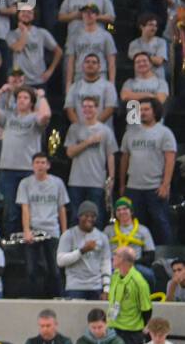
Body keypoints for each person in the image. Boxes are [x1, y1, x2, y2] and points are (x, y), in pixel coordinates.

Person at [0, 85, 49, 235]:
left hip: (28, 170)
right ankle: (11, 240)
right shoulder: (8, 117)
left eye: (26, 98)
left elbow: (46, 115)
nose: (21, 100)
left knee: (29, 208)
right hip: (8, 169)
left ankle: (29, 238)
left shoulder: (35, 118)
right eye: (19, 97)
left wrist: (41, 97)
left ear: (31, 102)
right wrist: (0, 91)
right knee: (10, 209)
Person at [119, 100, 176, 252]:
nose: (143, 112)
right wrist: (122, 184)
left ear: (155, 111)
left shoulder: (164, 133)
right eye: (141, 110)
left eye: (146, 109)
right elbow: (124, 159)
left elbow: (170, 160)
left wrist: (165, 184)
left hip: (155, 188)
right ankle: (139, 256)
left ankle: (166, 257)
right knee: (136, 226)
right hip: (133, 188)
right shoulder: (130, 133)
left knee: (161, 224)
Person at [17, 152, 68, 298]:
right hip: (34, 230)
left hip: (52, 229)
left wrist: (64, 232)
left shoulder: (57, 183)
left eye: (43, 162)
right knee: (31, 269)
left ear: (48, 165)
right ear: (32, 166)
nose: (40, 165)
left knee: (54, 269)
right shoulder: (25, 183)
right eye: (37, 162)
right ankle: (32, 299)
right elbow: (25, 208)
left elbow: (61, 208)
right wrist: (26, 230)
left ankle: (56, 297)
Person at [63, 95, 117, 228]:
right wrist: (87, 142)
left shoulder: (105, 131)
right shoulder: (74, 129)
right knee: (75, 217)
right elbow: (69, 153)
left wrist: (111, 177)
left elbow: (110, 155)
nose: (87, 109)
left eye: (90, 106)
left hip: (97, 180)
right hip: (76, 180)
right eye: (85, 107)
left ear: (97, 109)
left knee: (97, 217)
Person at [57, 202, 112, 300]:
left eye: (93, 216)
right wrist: (82, 251)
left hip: (96, 287)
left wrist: (106, 289)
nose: (89, 219)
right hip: (75, 286)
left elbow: (106, 263)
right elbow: (60, 261)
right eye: (86, 215)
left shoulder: (102, 237)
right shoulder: (68, 235)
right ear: (79, 216)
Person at [108, 246, 153, 344]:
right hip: (114, 326)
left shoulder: (139, 282)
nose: (112, 257)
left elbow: (146, 309)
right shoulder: (115, 275)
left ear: (122, 259)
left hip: (131, 331)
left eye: (115, 255)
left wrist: (144, 327)